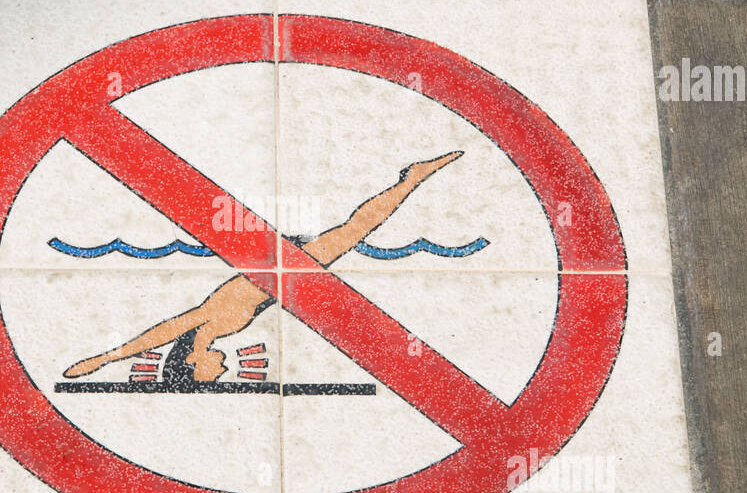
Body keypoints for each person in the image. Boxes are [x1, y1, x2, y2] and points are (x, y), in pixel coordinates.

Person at [63, 151, 463, 384]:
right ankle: (409, 182)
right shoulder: (212, 329)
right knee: (354, 230)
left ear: (188, 362)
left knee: (356, 229)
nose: (219, 372)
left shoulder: (202, 321)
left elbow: (147, 340)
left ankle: (410, 179)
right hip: (281, 277)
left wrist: (101, 361)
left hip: (277, 272)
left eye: (208, 376)